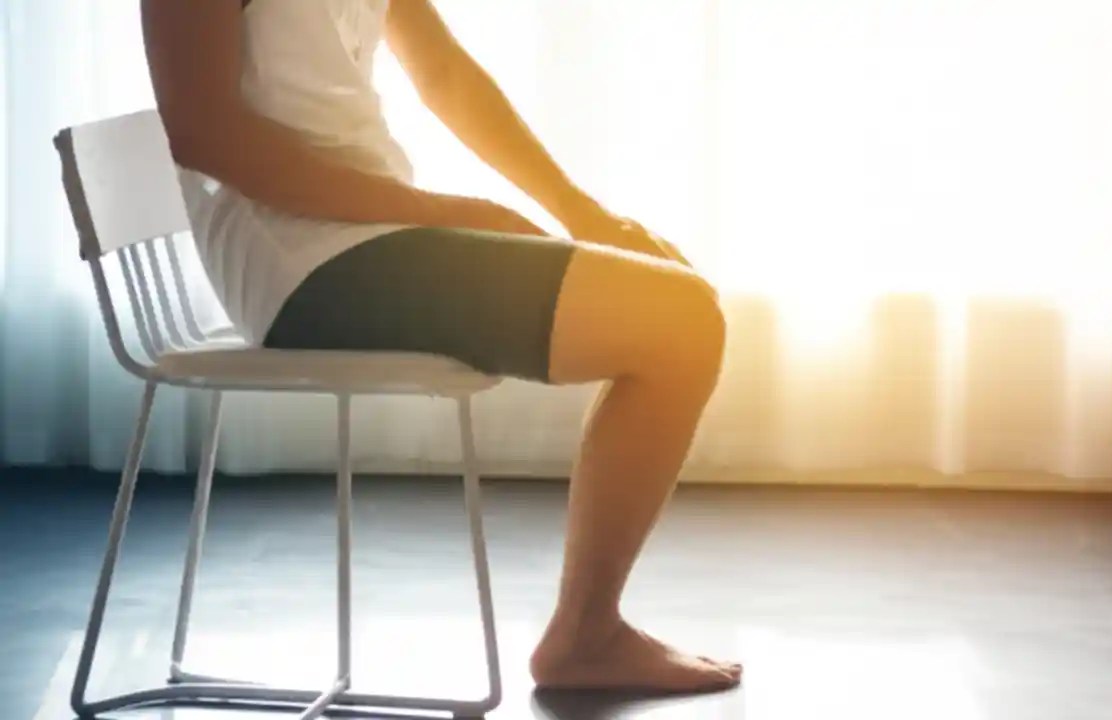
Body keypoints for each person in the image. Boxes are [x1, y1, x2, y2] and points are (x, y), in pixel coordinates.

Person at [140, 0, 740, 693]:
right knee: (681, 322)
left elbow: (446, 75)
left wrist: (586, 217)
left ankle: (589, 629)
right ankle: (588, 635)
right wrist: (440, 211)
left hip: (366, 235)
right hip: (299, 266)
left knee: (681, 314)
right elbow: (205, 134)